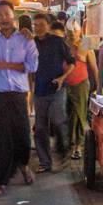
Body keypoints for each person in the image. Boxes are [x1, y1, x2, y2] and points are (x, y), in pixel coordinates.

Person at [0, 4, 38, 196]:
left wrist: (5, 65)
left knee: (22, 134)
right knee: (0, 139)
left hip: (19, 95)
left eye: (6, 13)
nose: (3, 17)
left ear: (13, 15)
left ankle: (23, 165)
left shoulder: (25, 39)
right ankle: (0, 181)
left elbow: (31, 65)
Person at [32, 21, 75, 173]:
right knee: (40, 128)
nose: (39, 28)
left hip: (57, 90)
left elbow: (71, 64)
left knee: (58, 121)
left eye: (42, 24)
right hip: (39, 91)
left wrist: (62, 78)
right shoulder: (32, 43)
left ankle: (64, 153)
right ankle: (45, 162)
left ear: (47, 26)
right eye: (36, 25)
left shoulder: (58, 42)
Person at [63, 27, 96, 160]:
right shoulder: (64, 43)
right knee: (68, 115)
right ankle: (69, 143)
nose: (72, 33)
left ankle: (78, 146)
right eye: (69, 30)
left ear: (79, 31)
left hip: (81, 84)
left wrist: (99, 88)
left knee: (80, 115)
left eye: (74, 30)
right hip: (65, 84)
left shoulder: (85, 43)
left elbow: (94, 68)